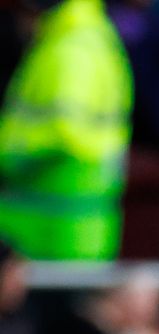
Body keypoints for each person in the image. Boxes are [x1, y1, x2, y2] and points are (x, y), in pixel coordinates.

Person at [0, 0, 133, 260]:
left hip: (55, 230)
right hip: (67, 227)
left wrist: (8, 155)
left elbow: (64, 133)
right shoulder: (83, 35)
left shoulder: (71, 48)